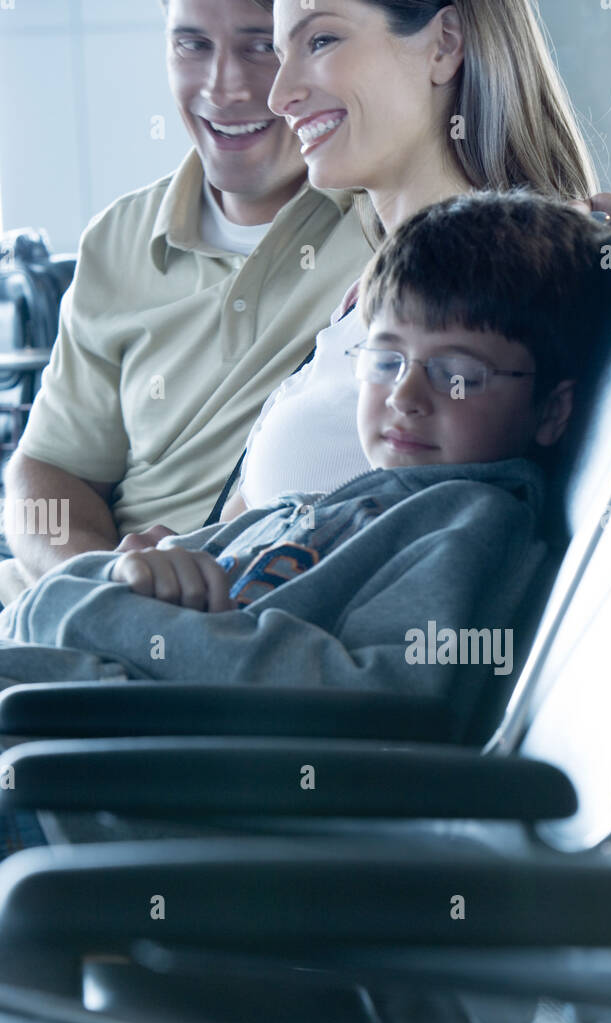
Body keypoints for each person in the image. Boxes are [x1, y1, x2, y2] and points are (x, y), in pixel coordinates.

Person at [0, 191, 611, 741]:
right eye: (384, 362)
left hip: (115, 786)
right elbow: (48, 605)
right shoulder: (308, 510)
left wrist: (125, 618)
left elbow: (385, 706)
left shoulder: (472, 526)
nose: (405, 396)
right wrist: (131, 579)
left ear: (552, 412)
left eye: (457, 376)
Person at [205, 0, 611, 521]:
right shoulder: (375, 289)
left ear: (445, 43)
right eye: (279, 50)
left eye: (321, 41)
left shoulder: (523, 290)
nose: (279, 96)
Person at [0, 0, 372, 604]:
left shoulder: (380, 218)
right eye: (192, 45)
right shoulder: (117, 236)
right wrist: (109, 582)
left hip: (207, 628)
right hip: (56, 602)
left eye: (262, 45)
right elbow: (46, 470)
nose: (222, 89)